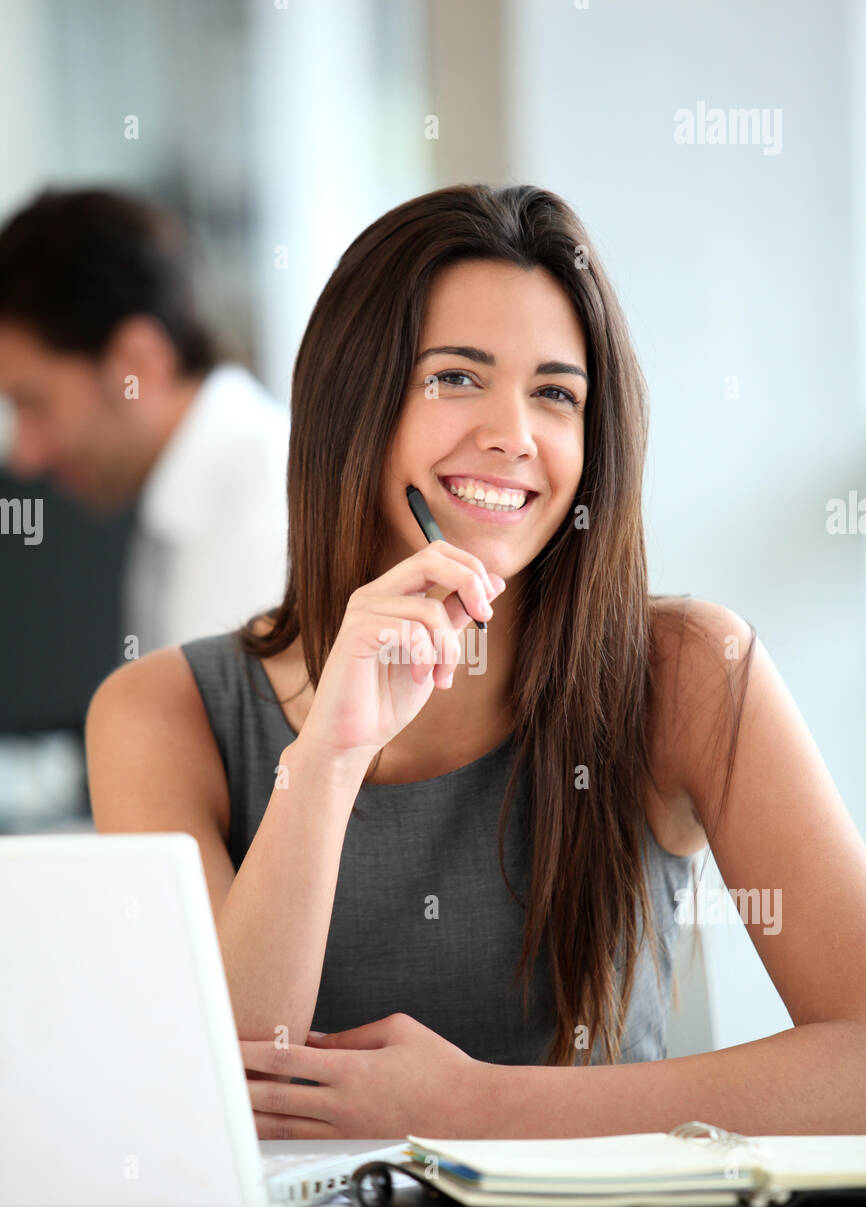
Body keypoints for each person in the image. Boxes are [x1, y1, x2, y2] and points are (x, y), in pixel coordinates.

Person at [85, 183, 866, 1140]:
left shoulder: (694, 672)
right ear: (350, 405)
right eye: (455, 377)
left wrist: (475, 1106)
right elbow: (220, 1107)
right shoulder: (158, 713)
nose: (514, 435)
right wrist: (328, 761)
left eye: (556, 393)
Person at [0, 188, 288, 652]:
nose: (24, 458)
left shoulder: (274, 511)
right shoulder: (179, 498)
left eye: (34, 404)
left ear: (137, 361)